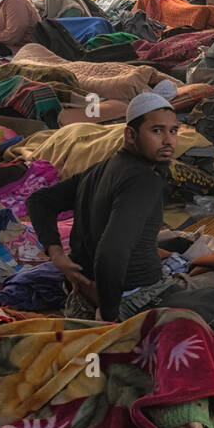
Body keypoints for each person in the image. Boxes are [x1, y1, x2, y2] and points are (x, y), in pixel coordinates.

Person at [26, 91, 182, 324]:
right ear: (130, 134)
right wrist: (108, 316)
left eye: (173, 131)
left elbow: (39, 201)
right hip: (136, 297)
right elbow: (111, 253)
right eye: (157, 131)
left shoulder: (101, 169)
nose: (168, 140)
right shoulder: (143, 181)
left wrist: (57, 254)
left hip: (81, 297)